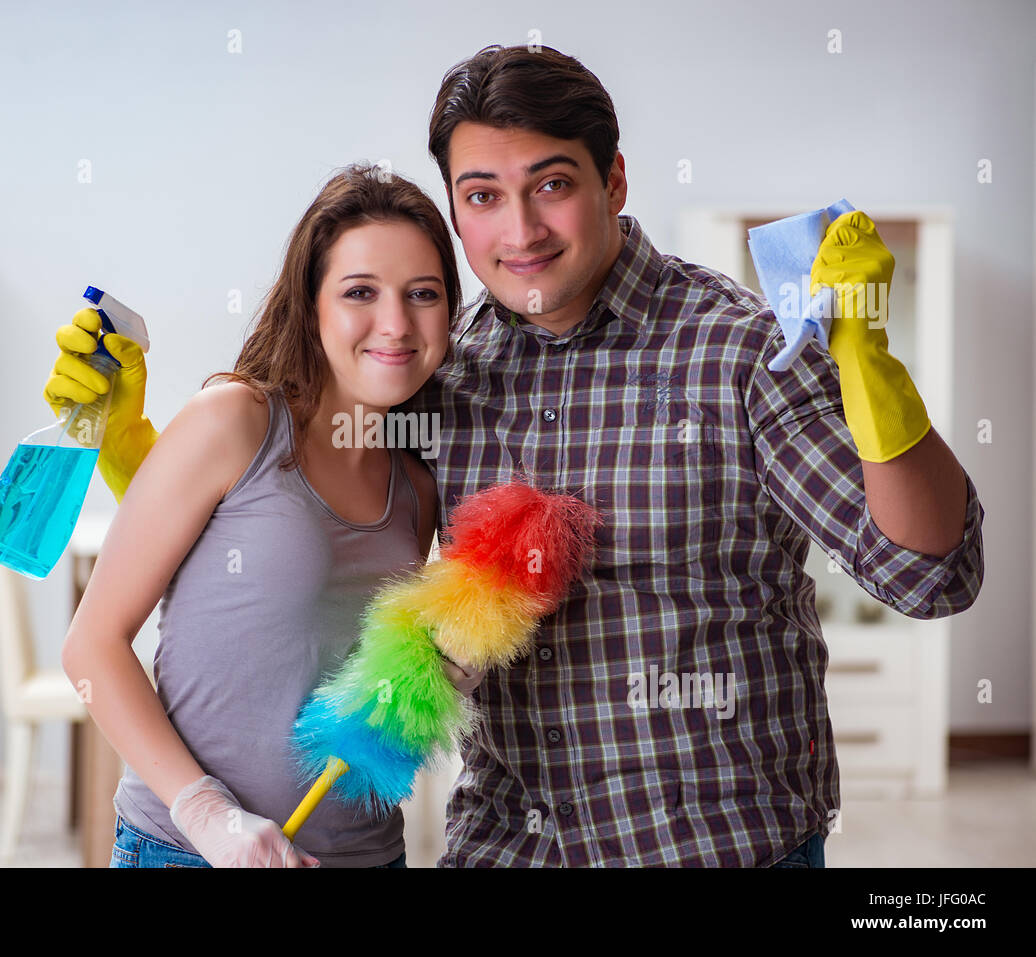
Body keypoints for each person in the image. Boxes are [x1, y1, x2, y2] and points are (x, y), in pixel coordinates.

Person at [49, 46, 985, 867]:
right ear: (458, 214)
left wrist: (867, 367)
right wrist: (141, 455)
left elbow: (927, 574)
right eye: (484, 196)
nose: (522, 230)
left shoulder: (736, 350)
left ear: (614, 180)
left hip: (711, 843)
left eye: (553, 184)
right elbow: (297, 528)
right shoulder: (445, 372)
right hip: (505, 843)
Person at [57, 164, 480, 868]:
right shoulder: (235, 420)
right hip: (188, 852)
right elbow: (91, 646)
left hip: (368, 856)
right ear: (309, 305)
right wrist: (208, 817)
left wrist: (437, 674)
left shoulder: (418, 481)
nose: (397, 323)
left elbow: (338, 677)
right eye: (359, 293)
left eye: (424, 294)